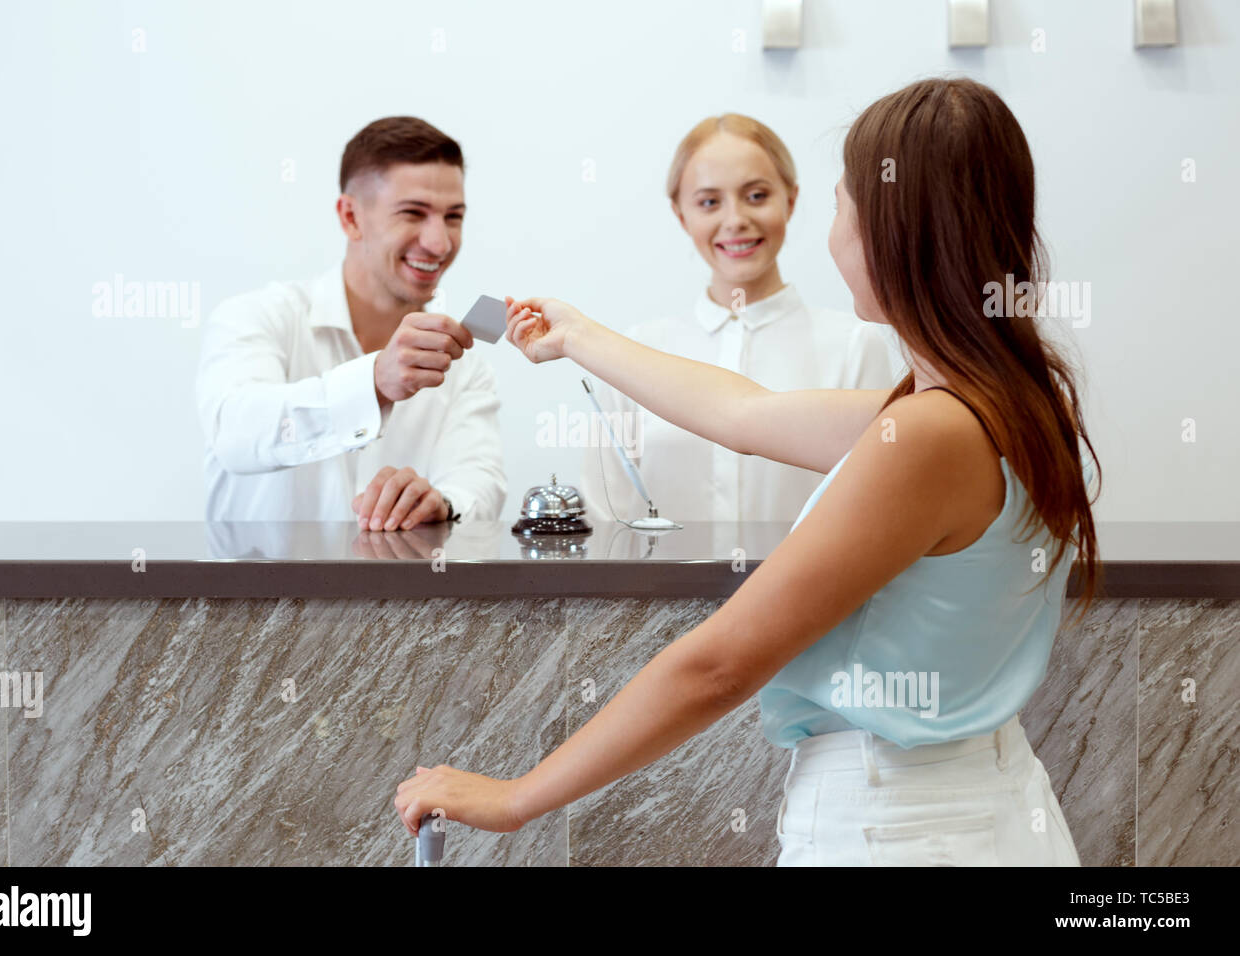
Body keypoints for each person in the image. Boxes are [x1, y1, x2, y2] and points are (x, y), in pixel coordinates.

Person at [394, 77, 1102, 866]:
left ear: (891, 231)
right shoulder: (995, 403)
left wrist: (515, 796)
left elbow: (720, 663)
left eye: (841, 205)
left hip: (899, 828)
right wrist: (579, 335)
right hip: (976, 807)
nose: (832, 232)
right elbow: (745, 414)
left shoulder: (930, 431)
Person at [581, 115, 902, 526]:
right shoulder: (635, 351)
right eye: (709, 202)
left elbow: (871, 505)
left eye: (756, 195)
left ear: (790, 199)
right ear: (681, 216)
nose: (735, 220)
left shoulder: (855, 344)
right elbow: (607, 515)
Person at [196, 116, 505, 530]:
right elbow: (234, 436)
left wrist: (443, 504)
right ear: (350, 218)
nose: (440, 243)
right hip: (254, 597)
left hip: (402, 596)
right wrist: (374, 383)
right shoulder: (257, 317)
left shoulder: (464, 367)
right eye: (414, 213)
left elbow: (479, 483)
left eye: (454, 217)